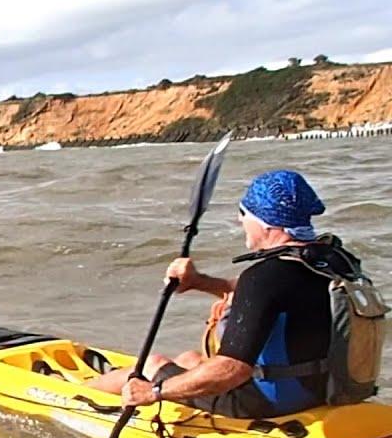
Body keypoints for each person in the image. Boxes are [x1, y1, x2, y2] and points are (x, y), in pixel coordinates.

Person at [84, 168, 357, 418]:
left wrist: (153, 392)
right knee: (190, 359)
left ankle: (72, 397)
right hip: (323, 390)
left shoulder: (263, 277)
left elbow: (232, 370)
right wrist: (199, 282)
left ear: (266, 224)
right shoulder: (332, 261)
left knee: (152, 365)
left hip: (266, 402)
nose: (240, 219)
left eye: (244, 212)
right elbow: (273, 299)